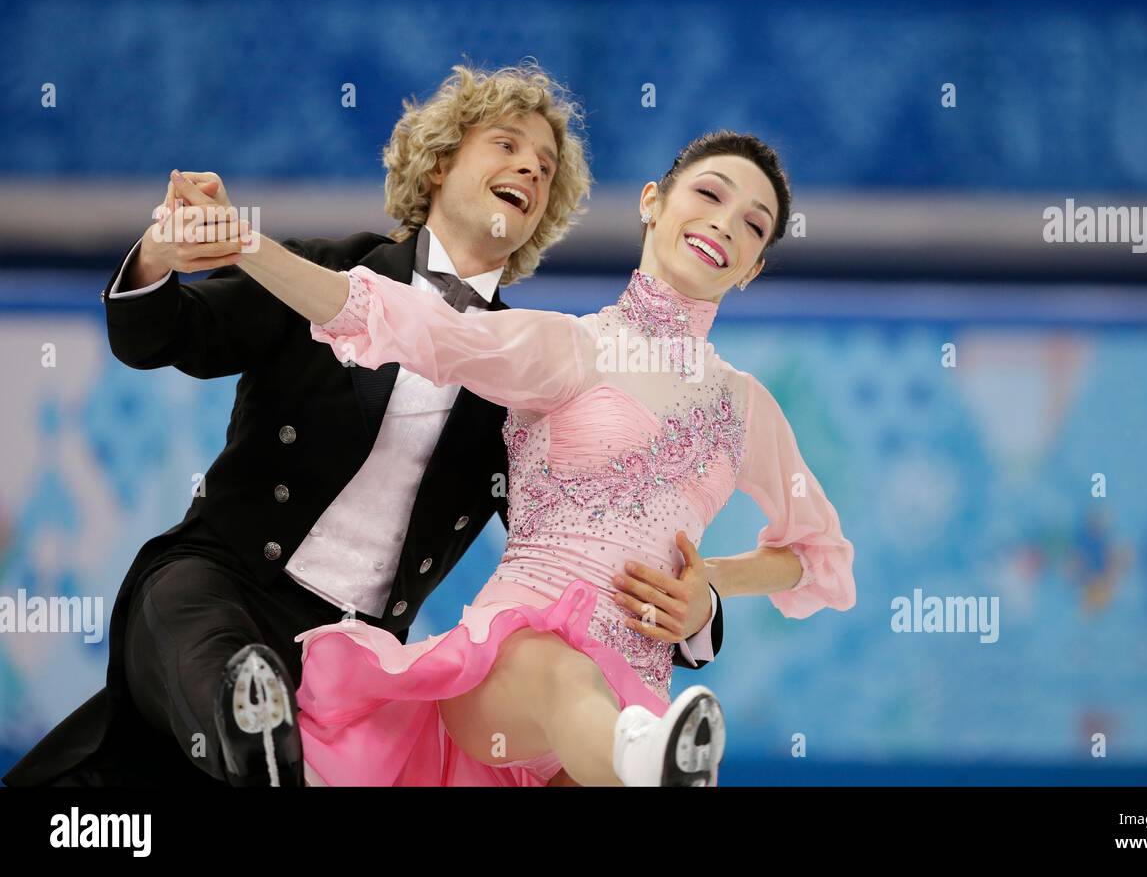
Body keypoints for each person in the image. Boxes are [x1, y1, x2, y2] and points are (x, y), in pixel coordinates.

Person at [3, 62, 725, 788]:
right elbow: (163, 337)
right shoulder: (323, 273)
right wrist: (159, 255)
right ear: (440, 162)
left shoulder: (532, 367)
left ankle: (266, 740)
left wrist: (698, 614)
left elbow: (593, 527)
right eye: (506, 146)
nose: (529, 172)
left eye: (543, 168)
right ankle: (254, 726)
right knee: (213, 653)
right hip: (223, 584)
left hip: (357, 660)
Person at [186, 128, 856, 786]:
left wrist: (706, 589)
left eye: (753, 224)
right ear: (652, 201)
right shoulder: (564, 347)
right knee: (563, 673)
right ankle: (646, 758)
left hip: (635, 690)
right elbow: (415, 327)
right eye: (709, 194)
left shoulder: (746, 409)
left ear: (757, 265)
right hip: (509, 670)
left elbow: (817, 556)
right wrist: (247, 245)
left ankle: (642, 755)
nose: (724, 224)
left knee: (597, 720)